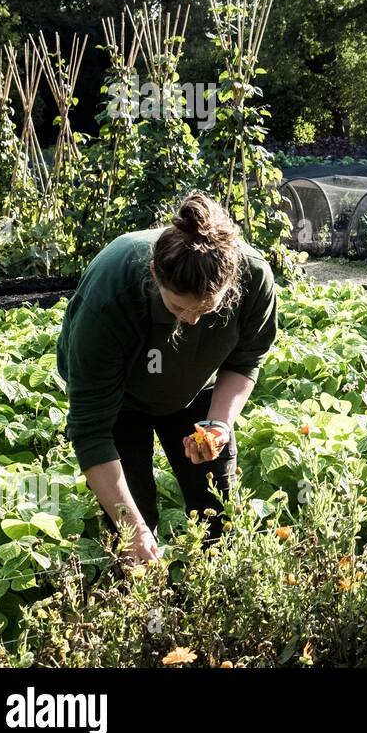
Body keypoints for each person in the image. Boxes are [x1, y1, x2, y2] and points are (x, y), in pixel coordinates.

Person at [57, 192, 278, 563]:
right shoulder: (112, 292)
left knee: (218, 511)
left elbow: (246, 359)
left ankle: (215, 598)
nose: (191, 320)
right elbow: (91, 430)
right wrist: (134, 530)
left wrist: (219, 423)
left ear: (232, 284)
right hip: (120, 401)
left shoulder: (255, 277)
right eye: (178, 307)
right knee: (130, 526)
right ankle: (141, 609)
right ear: (155, 274)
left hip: (197, 391)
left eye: (207, 309)